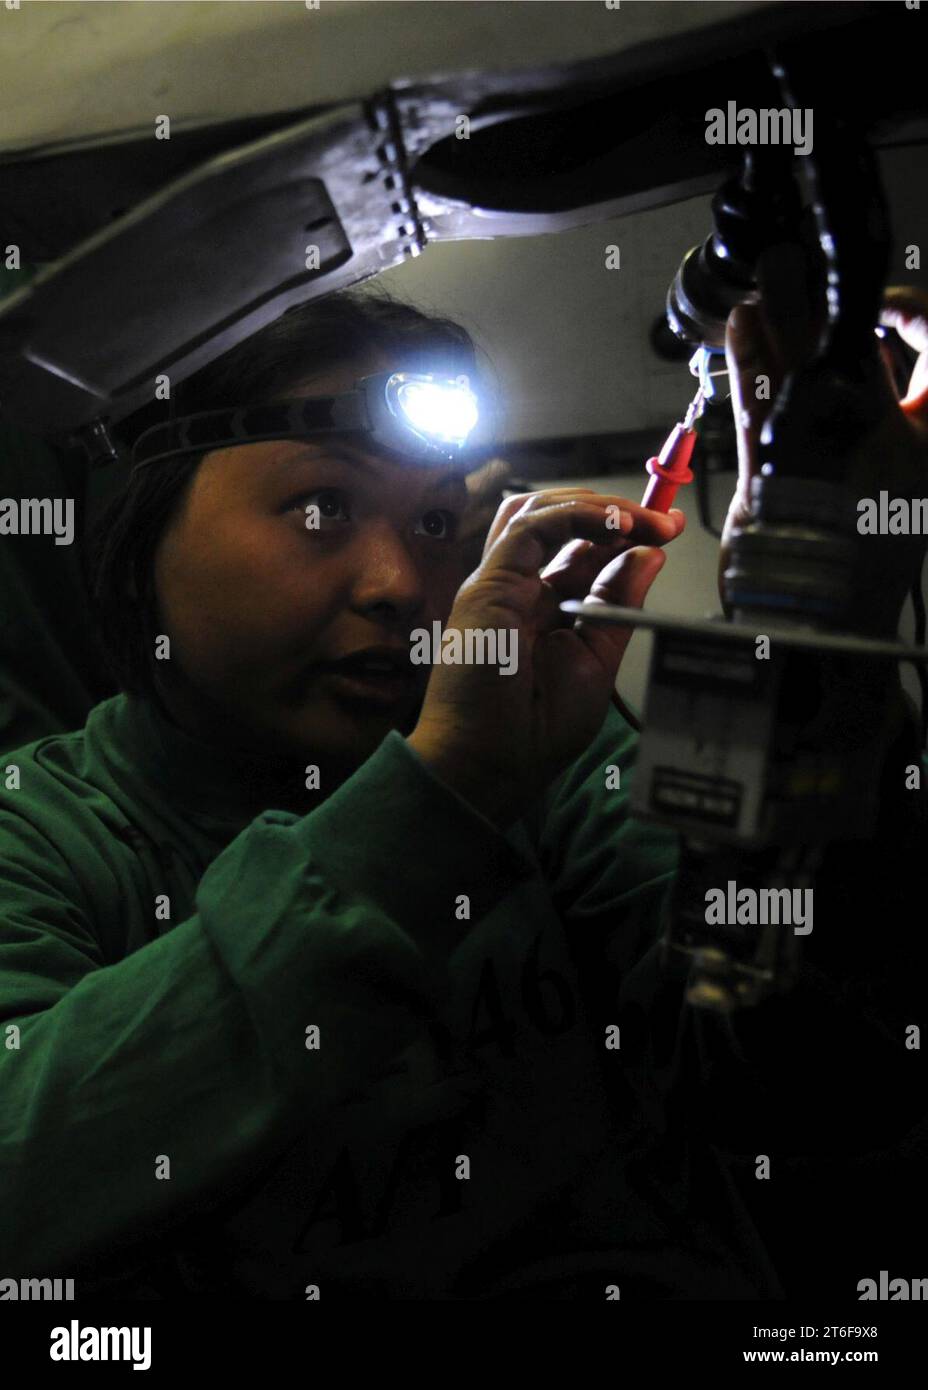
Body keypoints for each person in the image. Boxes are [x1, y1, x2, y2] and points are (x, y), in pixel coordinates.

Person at [0, 278, 924, 1301]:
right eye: (322, 507)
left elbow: (802, 1069)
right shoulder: (39, 833)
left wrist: (812, 642)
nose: (399, 583)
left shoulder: (548, 755)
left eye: (439, 521)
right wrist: (444, 791)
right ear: (137, 540)